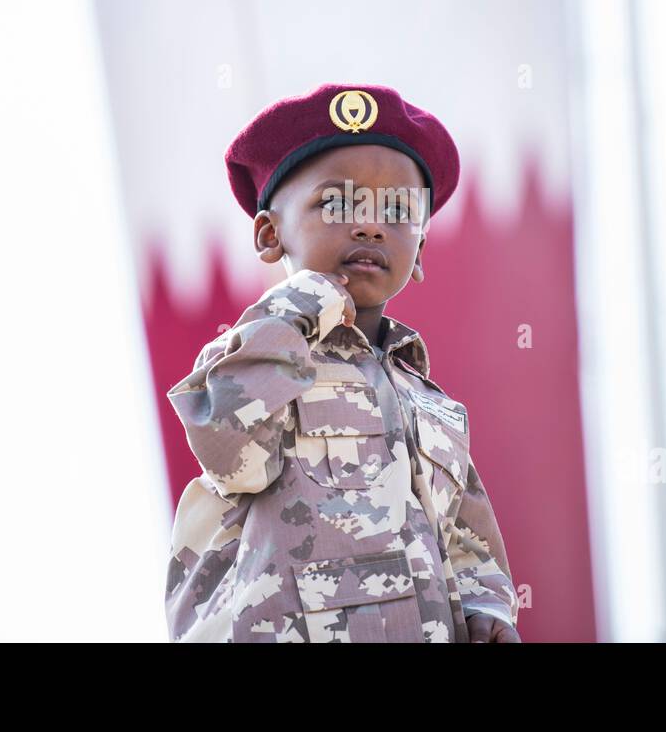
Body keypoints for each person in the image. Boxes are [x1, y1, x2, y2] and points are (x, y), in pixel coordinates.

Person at [163, 82, 521, 642]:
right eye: (336, 202)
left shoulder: (435, 405)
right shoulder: (257, 355)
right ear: (268, 233)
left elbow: (465, 539)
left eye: (398, 210)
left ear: (420, 250)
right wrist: (304, 301)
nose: (370, 224)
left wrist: (488, 610)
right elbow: (233, 456)